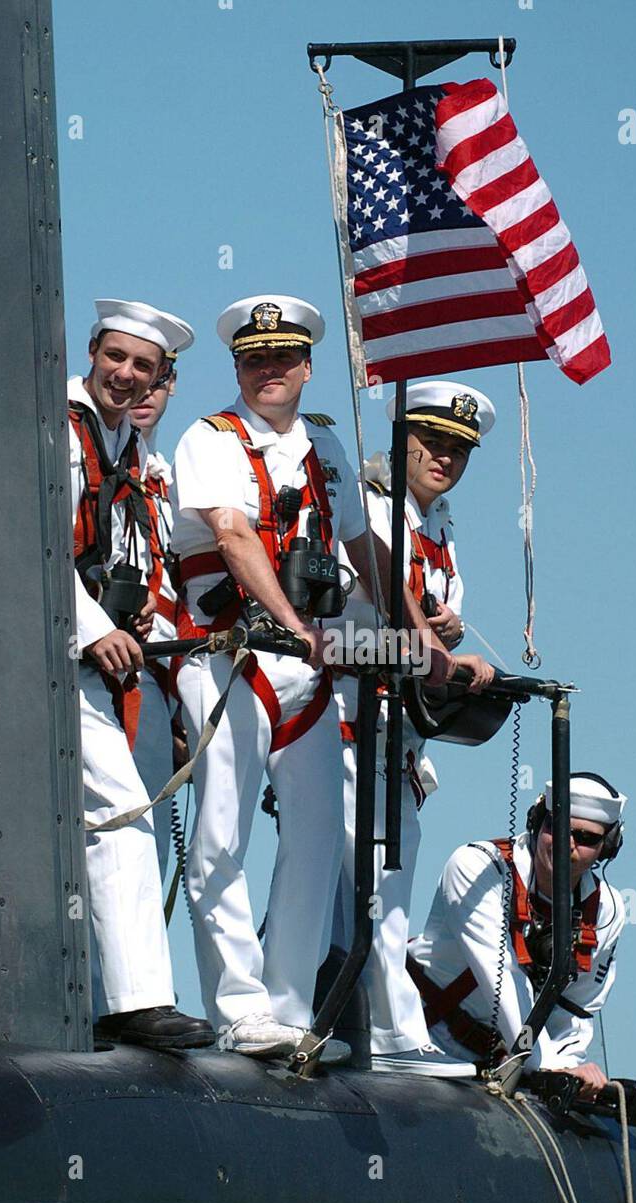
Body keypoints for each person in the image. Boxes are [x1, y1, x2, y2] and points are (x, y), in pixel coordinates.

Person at [171, 294, 493, 1057]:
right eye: (255, 359)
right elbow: (234, 534)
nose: (270, 370)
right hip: (231, 658)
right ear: (238, 368)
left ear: (308, 367)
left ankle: (288, 1012)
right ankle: (238, 1009)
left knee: (317, 842)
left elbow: (367, 552)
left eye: (283, 358)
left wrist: (423, 641)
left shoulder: (325, 448)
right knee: (221, 836)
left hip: (307, 673)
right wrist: (293, 623)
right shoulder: (210, 439)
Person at [330, 382, 496, 1079]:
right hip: (351, 716)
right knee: (376, 877)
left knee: (357, 884)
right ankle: (394, 1032)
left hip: (401, 733)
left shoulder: (438, 524)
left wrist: (446, 630)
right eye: (431, 443)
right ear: (402, 444)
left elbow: (426, 610)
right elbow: (364, 599)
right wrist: (433, 638)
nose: (444, 458)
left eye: (459, 449)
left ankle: (325, 1018)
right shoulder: (372, 508)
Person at [70, 298, 213, 1050]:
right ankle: (133, 1003)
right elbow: (31, 540)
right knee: (121, 812)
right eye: (116, 358)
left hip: (112, 664)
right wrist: (96, 627)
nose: (126, 375)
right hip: (58, 654)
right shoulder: (59, 430)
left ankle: (107, 999)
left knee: (128, 819)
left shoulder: (126, 444)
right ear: (92, 351)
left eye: (143, 367)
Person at [407, 773, 627, 1097]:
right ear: (537, 821)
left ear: (606, 848)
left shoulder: (605, 908)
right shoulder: (478, 868)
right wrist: (548, 1067)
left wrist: (568, 1068)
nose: (567, 845)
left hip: (500, 1062)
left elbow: (575, 1009)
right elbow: (504, 977)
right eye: (557, 827)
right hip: (420, 1044)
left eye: (585, 838)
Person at [127, 349, 188, 880]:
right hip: (114, 671)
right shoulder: (90, 461)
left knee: (150, 854)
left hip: (162, 685)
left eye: (158, 381)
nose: (144, 393)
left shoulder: (169, 481)